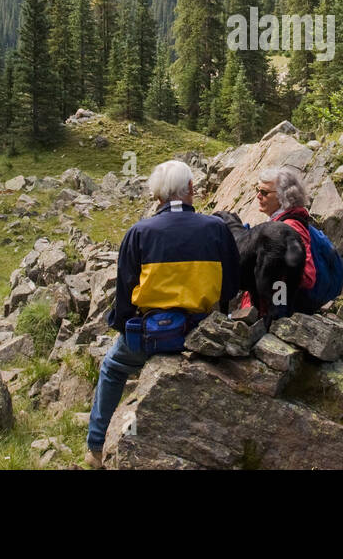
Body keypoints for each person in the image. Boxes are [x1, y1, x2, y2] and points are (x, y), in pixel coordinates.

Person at [84, 159, 239, 469]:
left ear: (157, 197)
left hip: (151, 335)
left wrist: (121, 325)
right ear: (191, 190)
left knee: (114, 367)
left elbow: (126, 294)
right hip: (201, 333)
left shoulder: (139, 232)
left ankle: (96, 448)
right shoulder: (217, 228)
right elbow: (232, 285)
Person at [240, 166, 318, 314]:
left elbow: (307, 276)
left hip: (272, 314)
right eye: (257, 190)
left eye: (264, 192)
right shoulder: (278, 223)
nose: (258, 196)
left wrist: (276, 302)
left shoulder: (290, 227)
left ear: (285, 197)